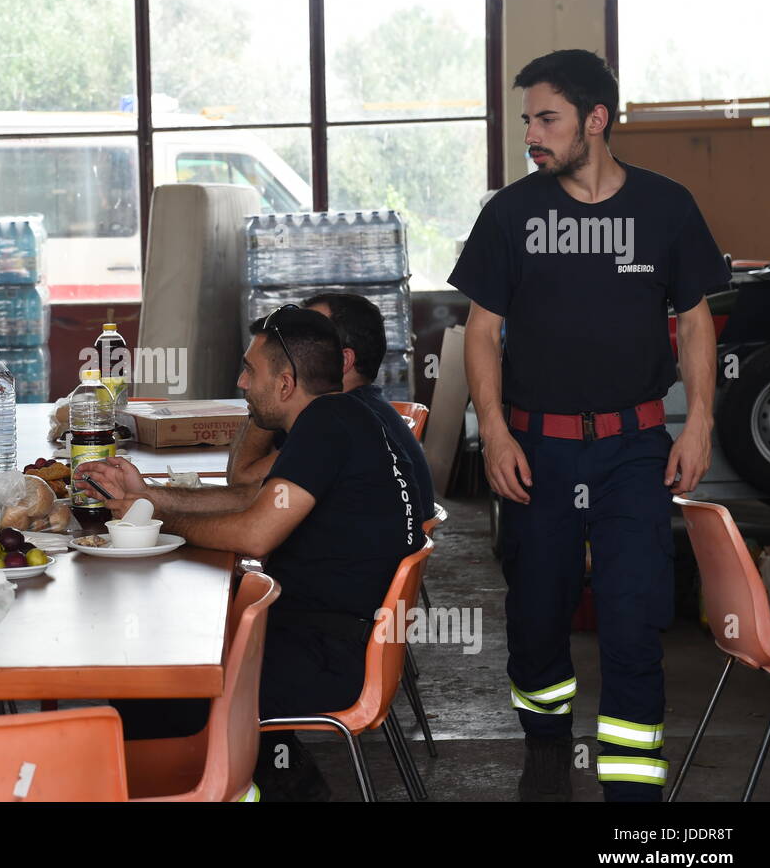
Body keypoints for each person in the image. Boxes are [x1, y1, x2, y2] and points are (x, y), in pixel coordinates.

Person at [449, 49, 728, 802]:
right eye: (527, 120)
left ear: (595, 119)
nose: (532, 134)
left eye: (547, 118)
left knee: (634, 622)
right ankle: (546, 753)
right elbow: (480, 331)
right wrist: (496, 433)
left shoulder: (666, 209)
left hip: (636, 450)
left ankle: (633, 804)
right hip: (537, 450)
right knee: (537, 616)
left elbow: (696, 322)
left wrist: (699, 421)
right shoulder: (511, 214)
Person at [78, 306, 423, 801]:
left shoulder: (328, 423)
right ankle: (284, 781)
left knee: (153, 682)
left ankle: (229, 785)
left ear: (285, 384)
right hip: (332, 636)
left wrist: (155, 520)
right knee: (167, 654)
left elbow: (255, 535)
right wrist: (147, 494)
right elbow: (251, 499)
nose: (240, 382)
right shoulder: (343, 416)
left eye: (249, 370)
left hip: (331, 657)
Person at [228, 292, 435, 523]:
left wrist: (269, 389)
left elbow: (243, 479)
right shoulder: (348, 407)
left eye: (313, 334)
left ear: (343, 360)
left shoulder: (336, 423)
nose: (292, 342)